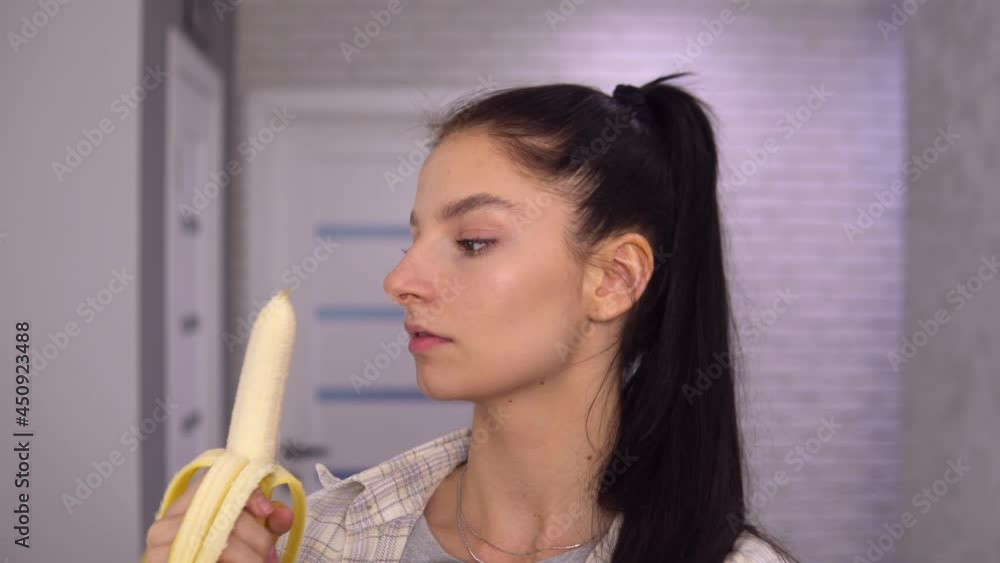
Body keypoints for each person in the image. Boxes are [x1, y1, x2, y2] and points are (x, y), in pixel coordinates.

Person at [146, 73, 799, 562]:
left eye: (472, 242)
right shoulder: (319, 539)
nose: (400, 281)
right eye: (414, 239)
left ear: (613, 278)